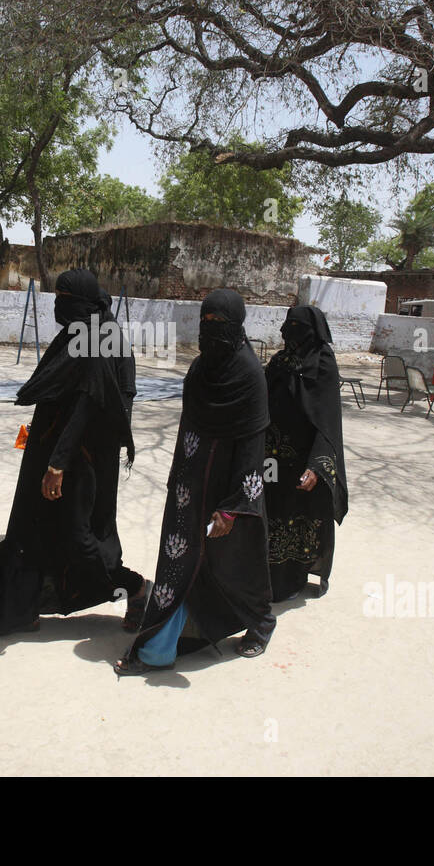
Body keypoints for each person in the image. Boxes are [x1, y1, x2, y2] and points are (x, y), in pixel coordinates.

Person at [0, 268, 147, 636]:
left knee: (79, 539)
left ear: (83, 302)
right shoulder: (78, 334)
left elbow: (89, 405)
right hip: (52, 452)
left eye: (65, 300)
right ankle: (21, 611)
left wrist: (57, 464)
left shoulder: (101, 338)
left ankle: (135, 587)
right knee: (32, 530)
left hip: (80, 462)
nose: (58, 306)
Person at [115, 289, 276, 675]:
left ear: (237, 327)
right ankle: (156, 647)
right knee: (178, 565)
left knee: (234, 569)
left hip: (230, 494)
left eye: (219, 324)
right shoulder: (200, 371)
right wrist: (179, 484)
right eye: (205, 323)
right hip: (190, 490)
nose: (210, 331)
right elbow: (188, 429)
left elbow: (253, 448)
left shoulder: (251, 378)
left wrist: (233, 507)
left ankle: (260, 624)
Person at [263, 306, 349, 602]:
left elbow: (328, 421)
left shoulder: (323, 364)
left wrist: (317, 465)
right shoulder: (278, 362)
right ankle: (268, 578)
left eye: (299, 326)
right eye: (289, 324)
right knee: (272, 514)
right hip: (272, 458)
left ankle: (292, 580)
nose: (291, 331)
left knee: (298, 520)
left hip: (303, 460)